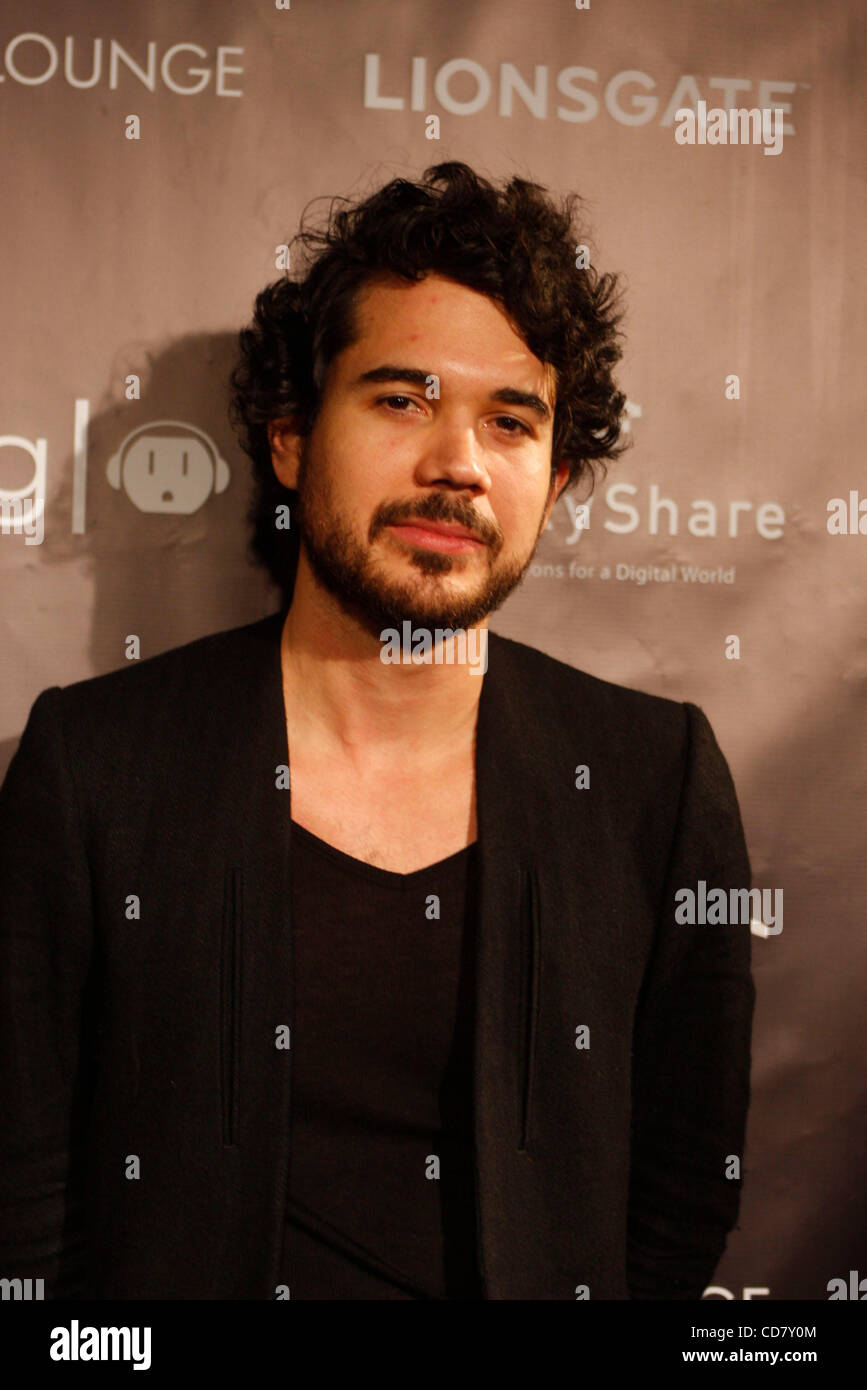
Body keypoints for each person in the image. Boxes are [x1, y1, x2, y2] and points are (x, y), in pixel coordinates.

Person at [0, 163, 754, 1300]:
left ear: (552, 481)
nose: (456, 462)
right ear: (293, 441)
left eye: (510, 421)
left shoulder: (657, 779)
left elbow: (684, 1187)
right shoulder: (95, 763)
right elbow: (22, 1202)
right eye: (402, 400)